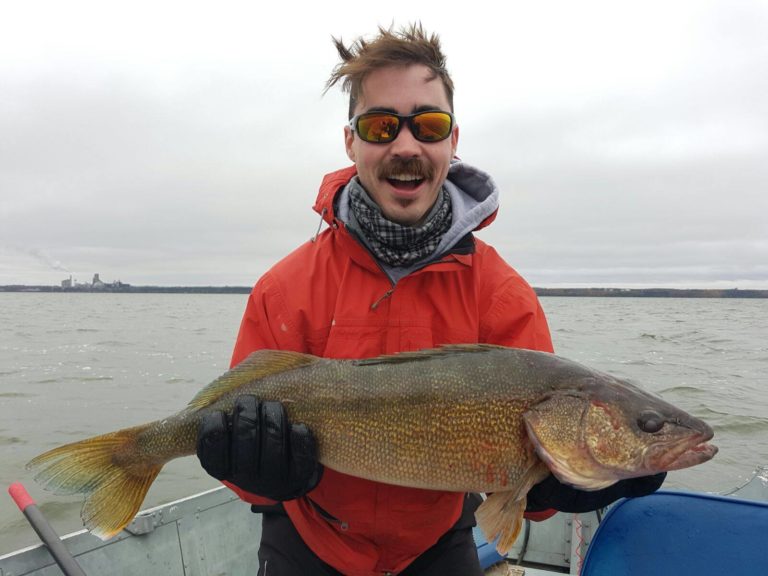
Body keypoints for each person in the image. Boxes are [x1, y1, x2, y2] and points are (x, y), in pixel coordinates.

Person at [196, 24, 664, 576]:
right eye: (380, 125)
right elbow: (227, 436)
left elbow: (526, 487)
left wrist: (564, 484)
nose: (406, 146)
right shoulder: (282, 290)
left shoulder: (502, 295)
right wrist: (253, 471)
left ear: (453, 139)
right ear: (351, 141)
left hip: (436, 545)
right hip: (309, 543)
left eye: (429, 124)